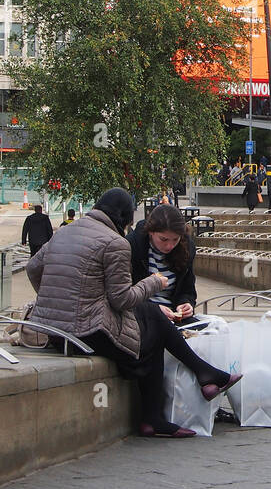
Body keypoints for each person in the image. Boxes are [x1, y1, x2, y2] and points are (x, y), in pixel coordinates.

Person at [28, 188, 238, 439]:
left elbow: (32, 268)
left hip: (52, 331)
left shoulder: (64, 232)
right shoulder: (115, 242)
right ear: (124, 218)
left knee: (153, 322)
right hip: (86, 331)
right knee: (156, 329)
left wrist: (55, 300)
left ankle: (194, 386)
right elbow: (122, 299)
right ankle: (165, 409)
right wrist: (154, 283)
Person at [129, 204, 199, 327]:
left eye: (175, 239)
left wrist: (186, 303)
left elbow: (188, 290)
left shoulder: (187, 247)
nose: (169, 246)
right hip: (140, 318)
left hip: (174, 316)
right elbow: (124, 296)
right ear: (151, 232)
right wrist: (153, 309)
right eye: (163, 239)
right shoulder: (132, 246)